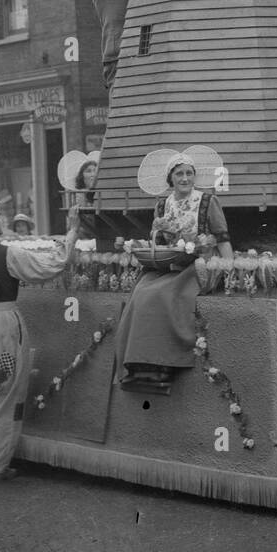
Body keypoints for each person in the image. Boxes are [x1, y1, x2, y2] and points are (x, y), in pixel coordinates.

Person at [0, 200, 80, 484]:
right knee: (7, 394)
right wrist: (72, 232)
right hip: (4, 326)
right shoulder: (10, 254)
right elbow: (52, 265)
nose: (1, 221)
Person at [116, 152, 232, 393]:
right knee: (141, 292)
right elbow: (156, 240)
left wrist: (229, 268)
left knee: (161, 294)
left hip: (198, 263)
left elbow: (222, 237)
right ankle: (139, 364)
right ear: (170, 177)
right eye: (179, 173)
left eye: (189, 173)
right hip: (169, 262)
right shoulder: (162, 204)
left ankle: (164, 363)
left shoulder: (207, 201)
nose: (185, 178)